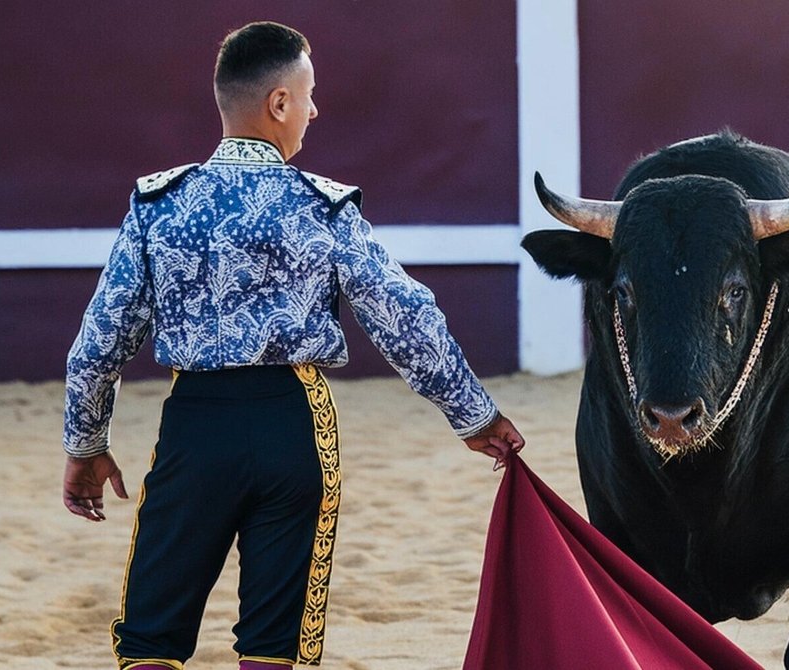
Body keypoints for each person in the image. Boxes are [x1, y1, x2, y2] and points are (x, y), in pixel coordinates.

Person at [62, 21, 525, 670]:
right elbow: (405, 316)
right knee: (275, 646)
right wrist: (473, 416)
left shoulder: (156, 205)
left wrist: (86, 444)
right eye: (308, 95)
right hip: (293, 423)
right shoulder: (323, 207)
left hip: (194, 428)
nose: (315, 109)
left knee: (149, 640)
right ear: (278, 103)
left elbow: (99, 342)